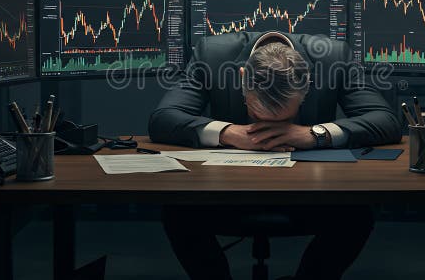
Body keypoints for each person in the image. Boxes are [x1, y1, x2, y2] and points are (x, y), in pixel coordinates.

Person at [149, 31, 401, 280]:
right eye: (257, 119)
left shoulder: (335, 57)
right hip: (229, 193)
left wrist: (316, 134)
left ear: (308, 84)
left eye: (284, 123)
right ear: (242, 78)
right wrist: (228, 132)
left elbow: (386, 121)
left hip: (309, 195)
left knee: (356, 216)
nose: (270, 135)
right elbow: (163, 118)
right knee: (178, 212)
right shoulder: (211, 54)